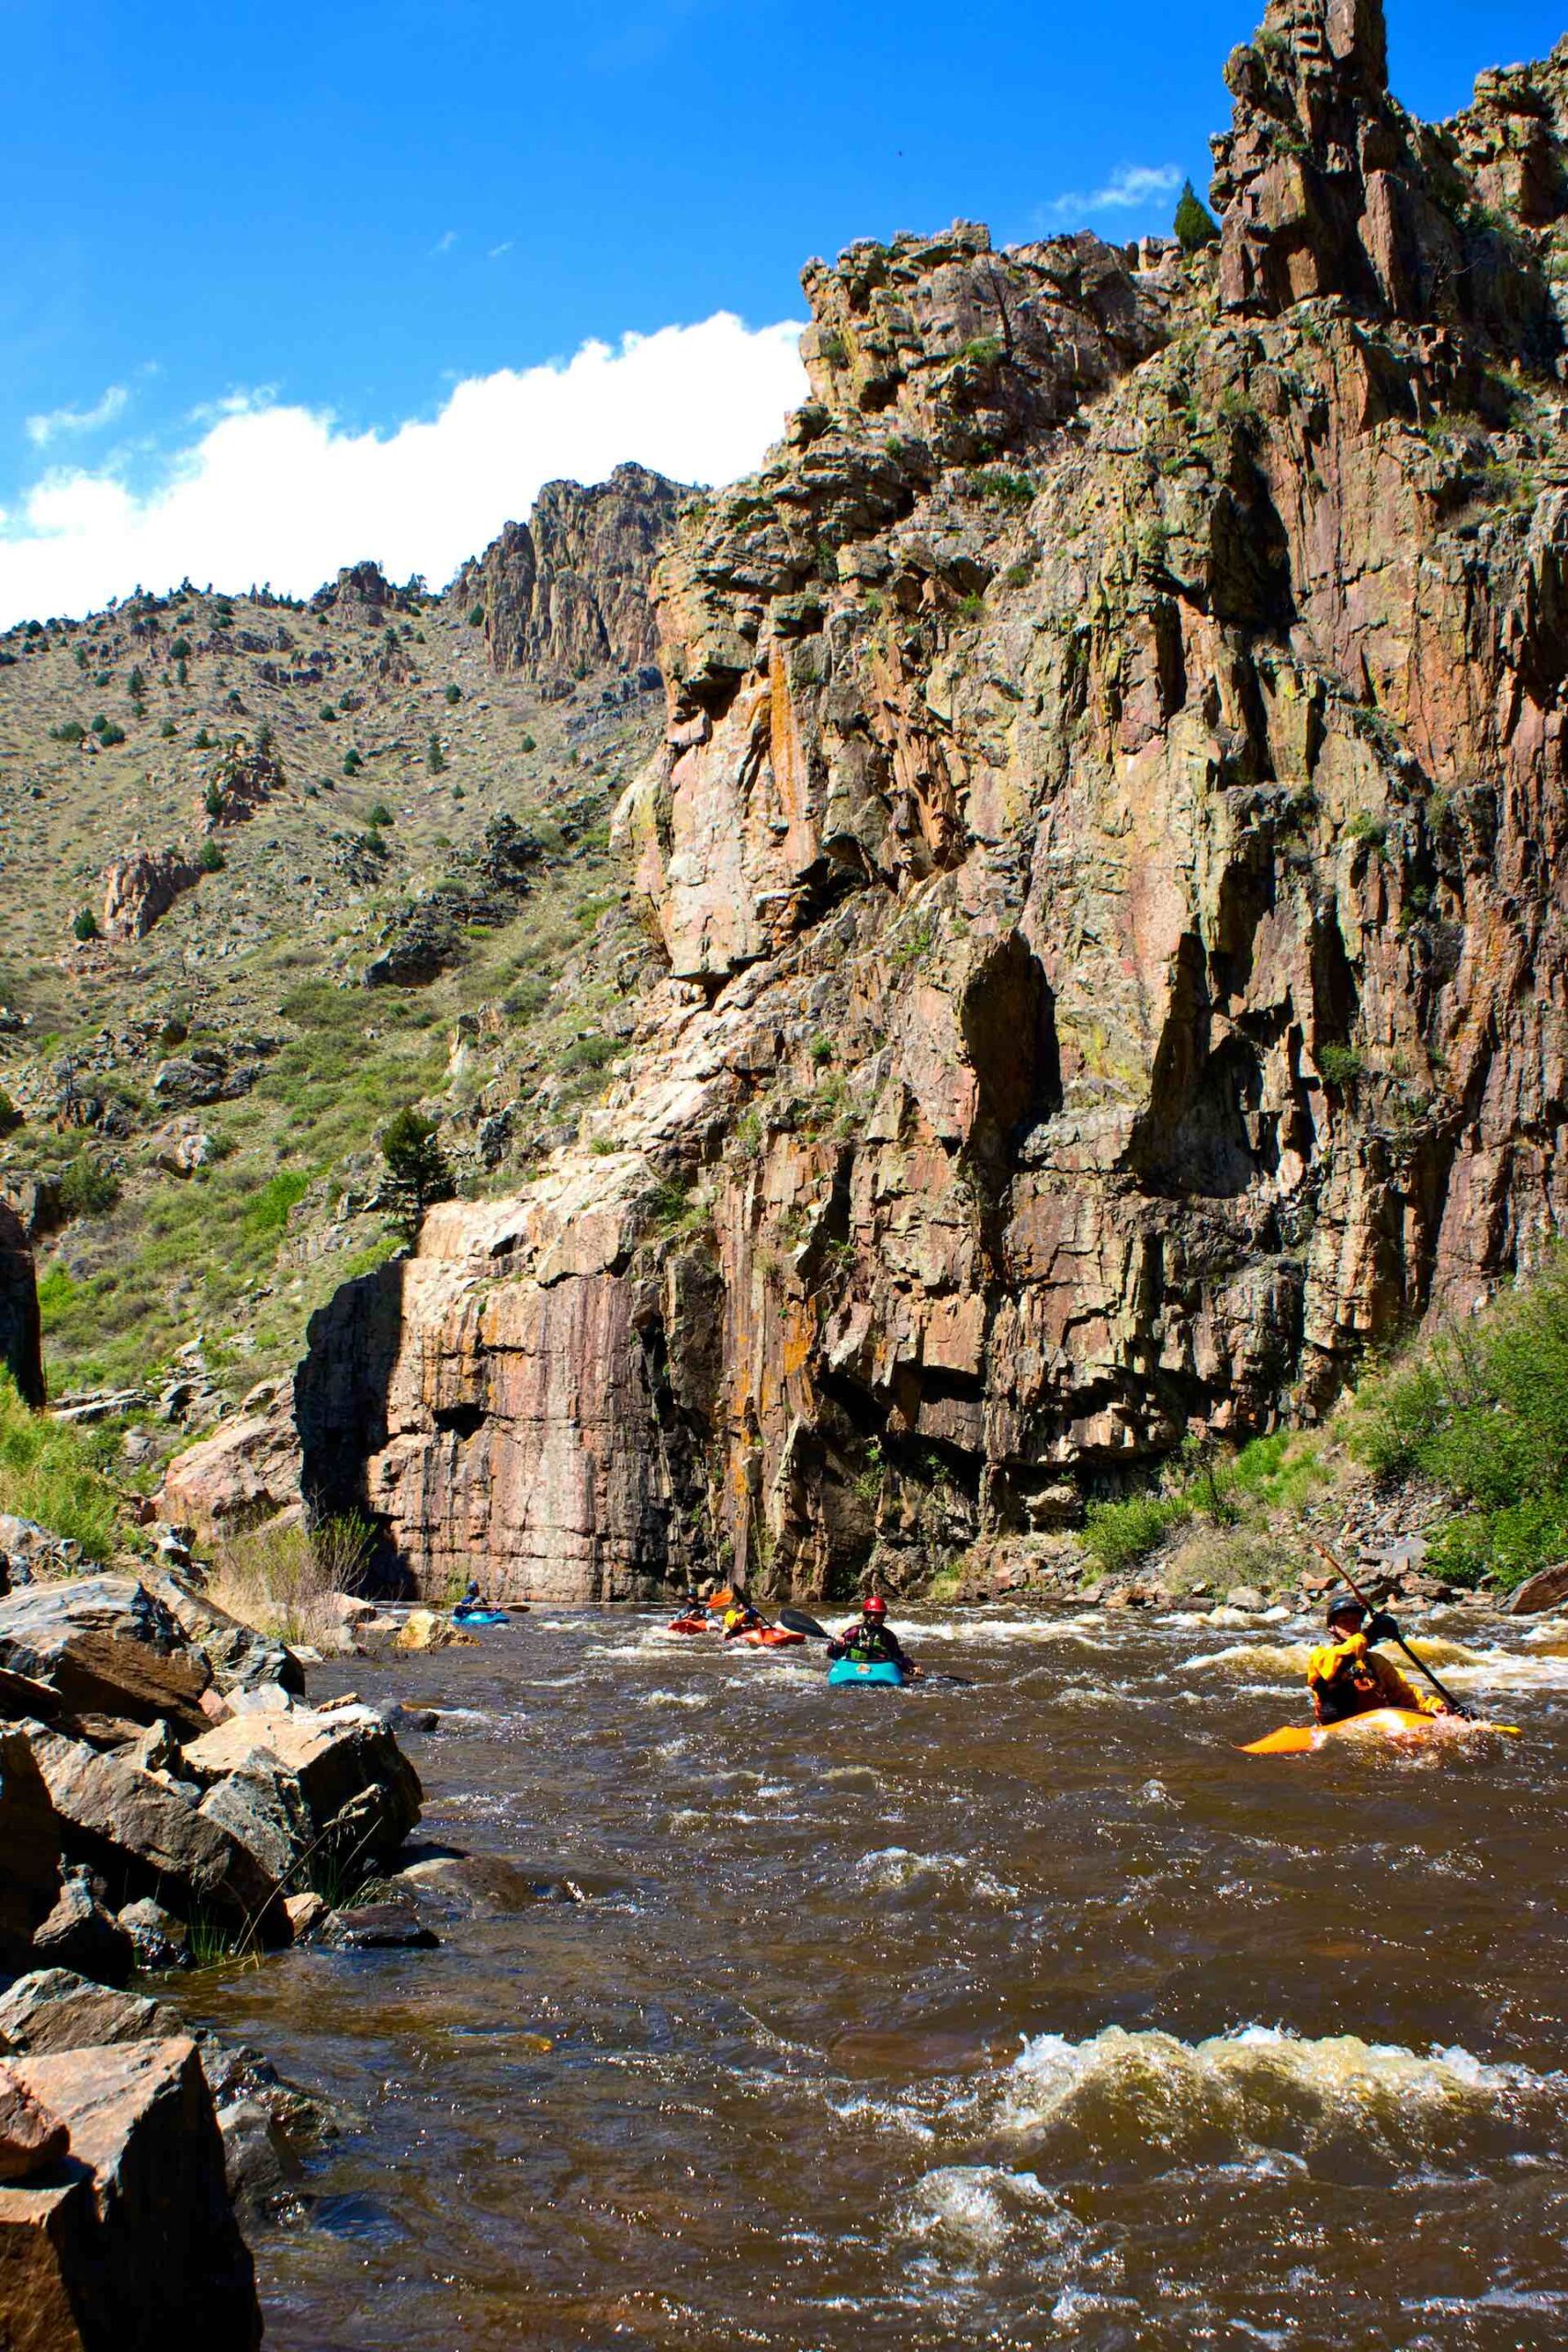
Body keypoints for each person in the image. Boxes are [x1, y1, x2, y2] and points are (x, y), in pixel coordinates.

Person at [1307, 1592, 1446, 1724]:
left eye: (1354, 1621)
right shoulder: (1321, 1655)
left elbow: (1405, 1692)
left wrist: (1438, 1707)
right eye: (1343, 1621)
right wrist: (1370, 1634)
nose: (1350, 1625)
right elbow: (1341, 1659)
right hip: (1340, 1724)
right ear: (1331, 1628)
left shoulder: (1376, 1661)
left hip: (1374, 1723)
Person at [827, 1594, 921, 1679]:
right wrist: (835, 1645)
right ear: (867, 1615)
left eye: (881, 1614)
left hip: (879, 1668)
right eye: (876, 1615)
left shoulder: (888, 1636)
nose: (879, 1618)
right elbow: (833, 1655)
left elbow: (898, 1657)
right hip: (853, 1666)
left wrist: (913, 1666)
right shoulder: (853, 1632)